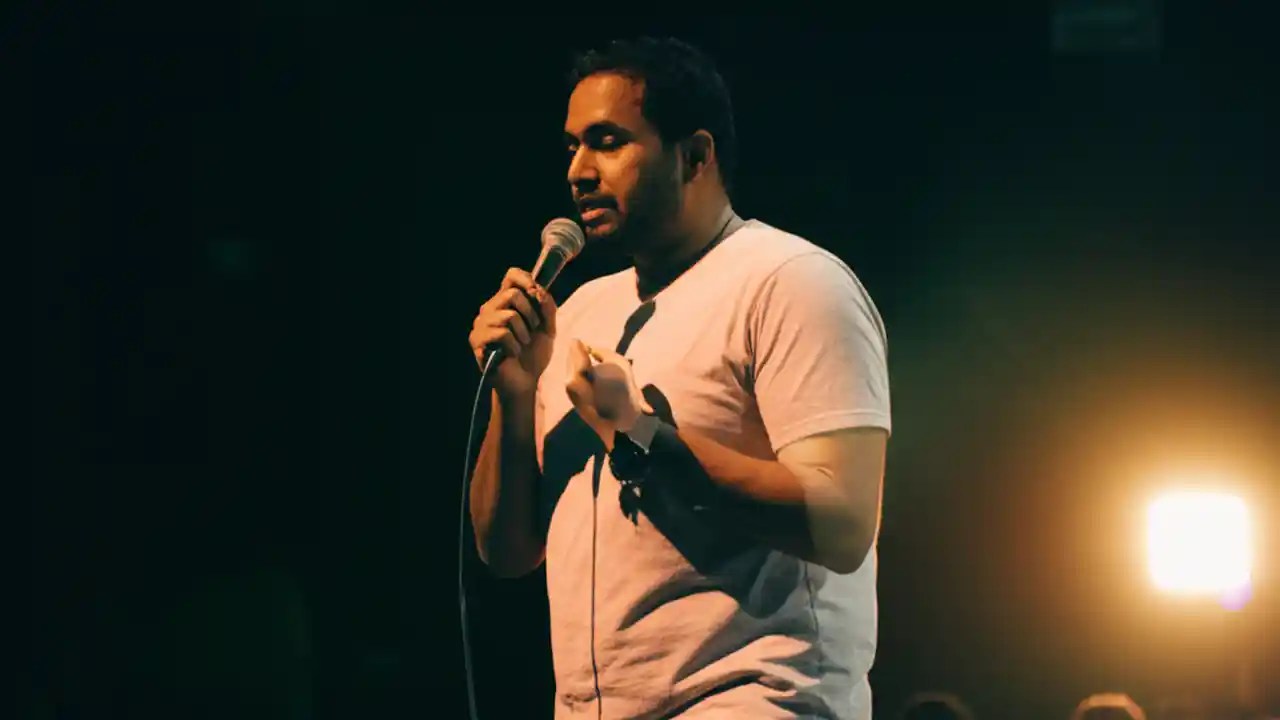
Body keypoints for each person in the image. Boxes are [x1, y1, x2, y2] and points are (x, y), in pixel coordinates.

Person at [467, 36, 891, 719]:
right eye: (572, 145)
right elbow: (508, 552)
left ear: (695, 155)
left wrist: (640, 433)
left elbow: (842, 526)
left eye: (607, 141)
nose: (578, 170)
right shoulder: (578, 312)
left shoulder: (791, 283)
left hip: (756, 699)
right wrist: (514, 399)